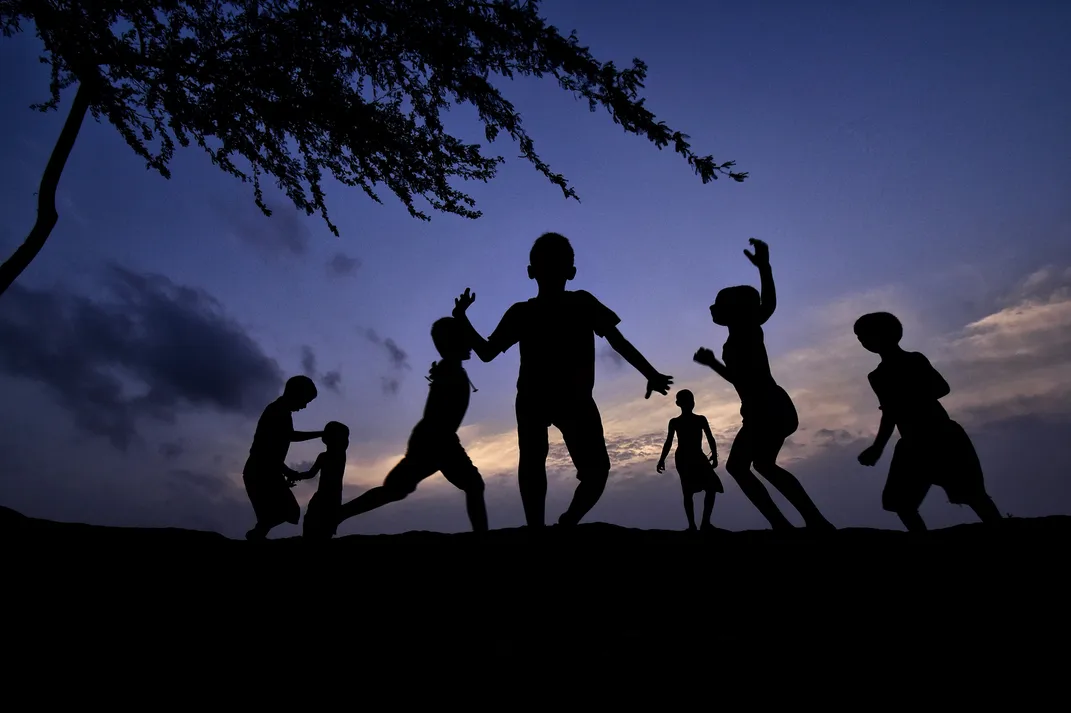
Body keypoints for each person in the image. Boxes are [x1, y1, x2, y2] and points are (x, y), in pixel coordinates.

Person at [452, 232, 673, 528]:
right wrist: (650, 374)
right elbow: (618, 342)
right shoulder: (568, 305)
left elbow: (486, 353)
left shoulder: (544, 309)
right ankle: (556, 525)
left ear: (532, 272)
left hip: (555, 398)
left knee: (546, 464)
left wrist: (462, 319)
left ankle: (548, 526)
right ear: (571, 271)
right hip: (559, 398)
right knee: (574, 469)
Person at [694, 238, 834, 531]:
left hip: (766, 408)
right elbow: (767, 306)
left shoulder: (745, 332)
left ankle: (789, 523)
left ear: (734, 310)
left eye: (718, 304)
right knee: (762, 466)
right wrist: (764, 268)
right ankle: (808, 521)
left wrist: (765, 268)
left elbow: (745, 376)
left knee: (740, 467)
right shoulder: (742, 332)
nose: (712, 307)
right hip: (767, 408)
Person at [854, 311, 1003, 532]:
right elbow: (891, 413)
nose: (863, 341)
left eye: (865, 335)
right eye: (860, 337)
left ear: (886, 335)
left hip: (941, 436)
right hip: (914, 443)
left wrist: (879, 445)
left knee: (972, 494)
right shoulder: (877, 375)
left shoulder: (913, 360)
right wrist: (877, 447)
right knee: (902, 503)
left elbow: (941, 388)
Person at [336, 317, 488, 532]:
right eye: (465, 338)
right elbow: (437, 414)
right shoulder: (450, 371)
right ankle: (483, 538)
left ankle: (337, 515)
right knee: (472, 485)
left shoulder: (450, 369)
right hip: (437, 440)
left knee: (395, 490)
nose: (470, 343)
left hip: (435, 440)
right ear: (453, 342)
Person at [242, 375, 324, 540]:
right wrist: (286, 471)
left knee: (279, 513)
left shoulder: (281, 411)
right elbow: (268, 450)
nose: (305, 406)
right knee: (285, 512)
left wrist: (284, 471)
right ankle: (255, 536)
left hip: (264, 470)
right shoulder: (277, 412)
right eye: (305, 401)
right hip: (260, 471)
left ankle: (256, 536)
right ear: (297, 394)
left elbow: (287, 437)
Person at [656, 389, 723, 531]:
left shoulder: (700, 419)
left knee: (711, 486)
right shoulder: (674, 422)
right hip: (684, 458)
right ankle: (692, 525)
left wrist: (715, 455)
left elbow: (710, 438)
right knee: (688, 491)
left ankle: (705, 523)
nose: (690, 403)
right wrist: (661, 459)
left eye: (691, 400)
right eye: (687, 400)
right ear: (679, 404)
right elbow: (668, 442)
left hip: (698, 456)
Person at [288, 421, 350, 541]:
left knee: (315, 522)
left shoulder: (334, 455)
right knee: (320, 523)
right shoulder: (334, 455)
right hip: (331, 496)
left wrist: (297, 476)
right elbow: (311, 474)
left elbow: (311, 474)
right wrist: (297, 476)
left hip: (326, 496)